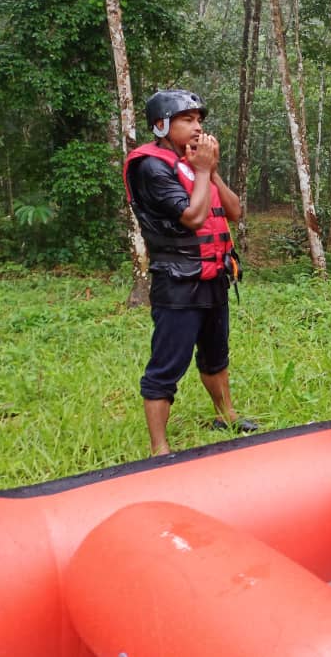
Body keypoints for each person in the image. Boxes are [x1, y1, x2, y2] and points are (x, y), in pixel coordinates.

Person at [124, 89, 256, 456]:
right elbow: (193, 217)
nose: (198, 128)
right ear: (161, 125)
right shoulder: (151, 167)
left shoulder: (195, 164)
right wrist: (201, 171)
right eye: (188, 120)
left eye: (199, 120)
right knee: (167, 364)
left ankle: (226, 415)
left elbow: (234, 211)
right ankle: (159, 448)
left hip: (213, 276)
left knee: (216, 353)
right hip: (177, 279)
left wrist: (210, 173)